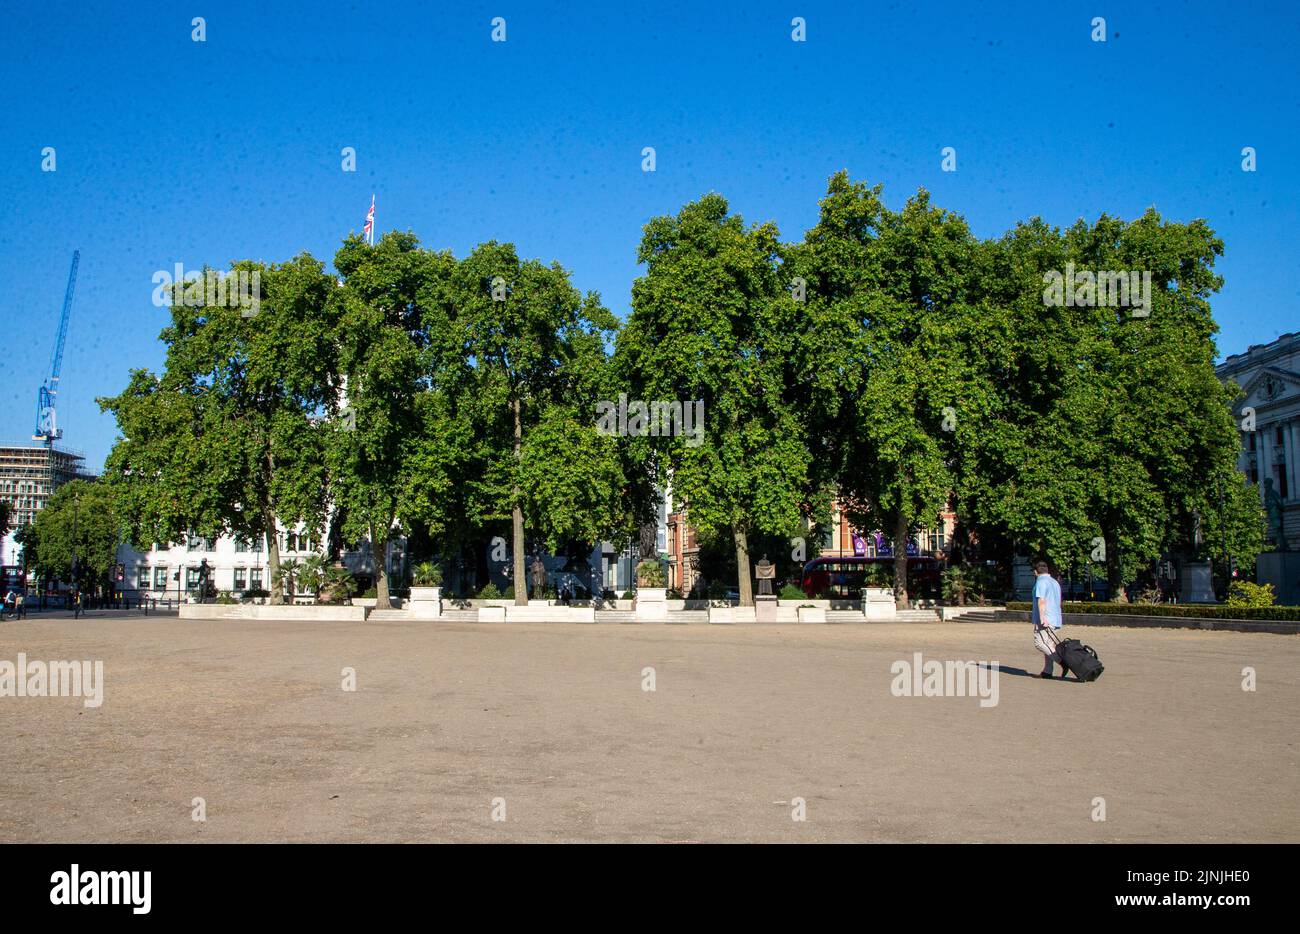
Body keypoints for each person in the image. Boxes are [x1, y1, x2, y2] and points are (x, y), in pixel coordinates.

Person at [1031, 560, 1065, 678]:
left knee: (1039, 643)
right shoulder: (1055, 582)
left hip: (1046, 618)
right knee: (1049, 645)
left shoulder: (1041, 582)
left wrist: (1042, 618)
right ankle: (1047, 671)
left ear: (1036, 572)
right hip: (1056, 618)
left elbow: (1041, 600)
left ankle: (1062, 662)